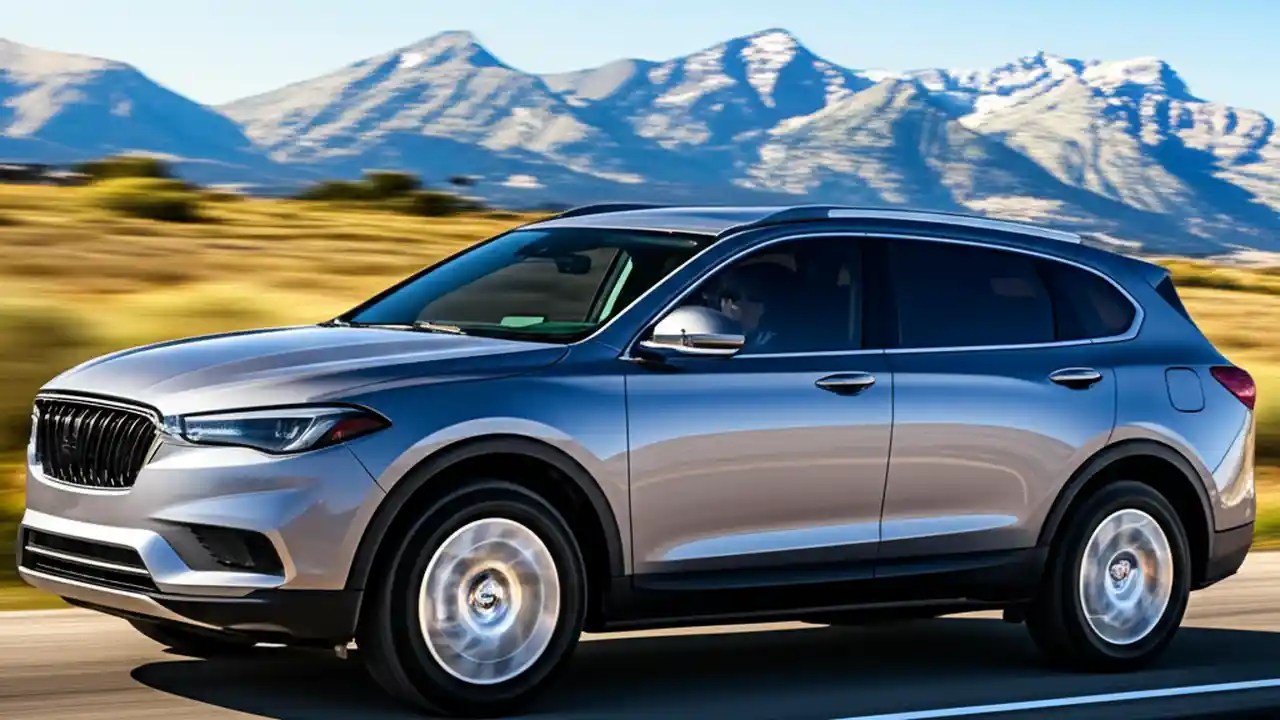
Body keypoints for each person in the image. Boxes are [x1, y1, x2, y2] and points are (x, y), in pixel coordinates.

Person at [714, 261, 802, 351]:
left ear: (762, 307)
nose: (727, 305)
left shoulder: (769, 349)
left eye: (733, 298)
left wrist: (730, 326)